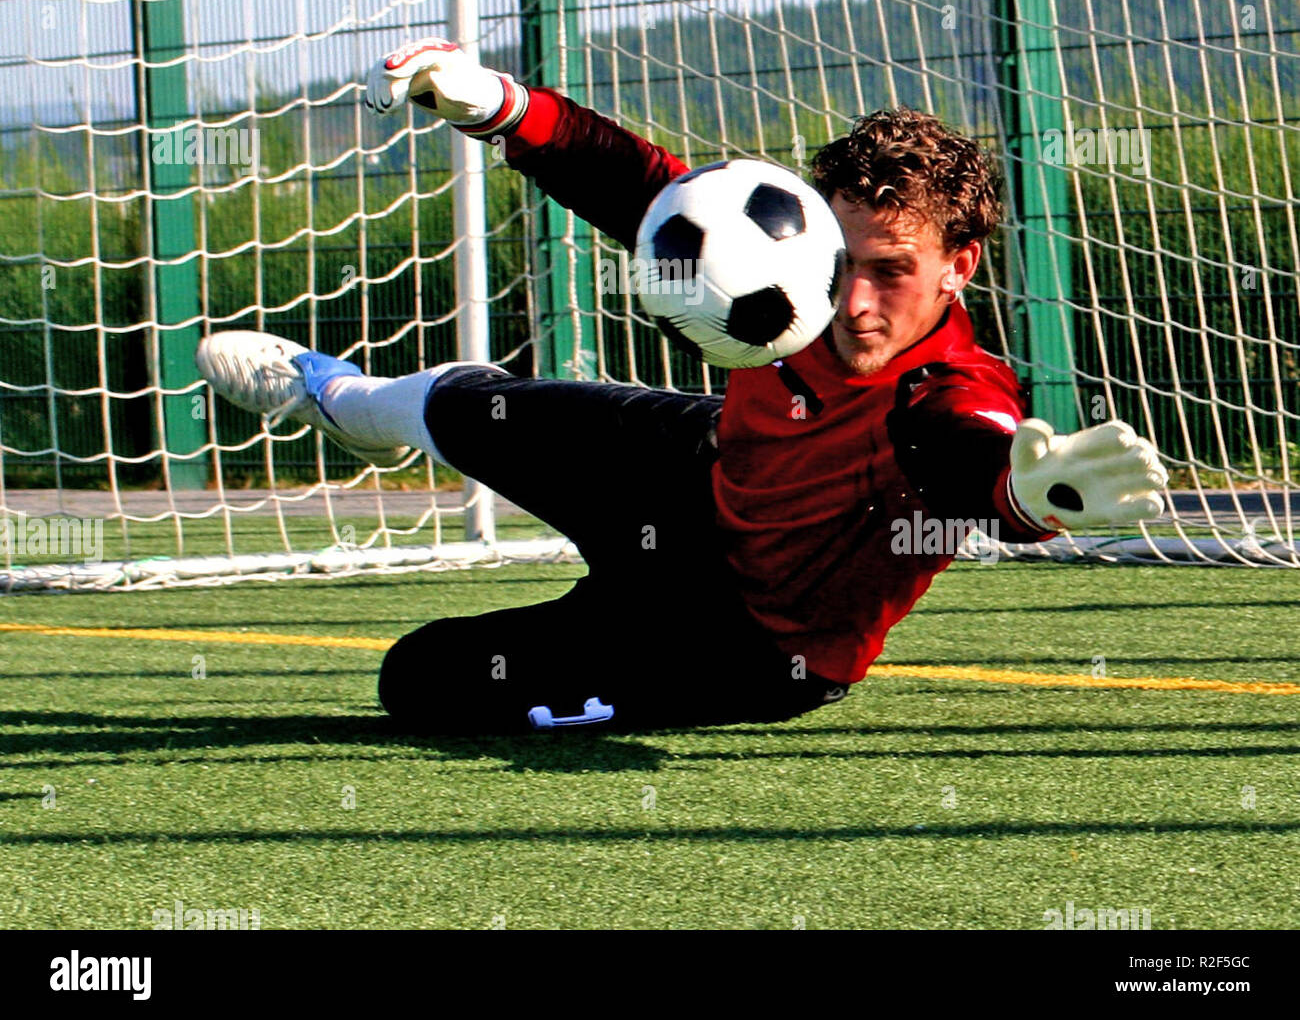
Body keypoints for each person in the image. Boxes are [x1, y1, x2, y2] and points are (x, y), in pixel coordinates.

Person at [196, 39, 1167, 734]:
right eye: (845, 261)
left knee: (419, 682)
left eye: (893, 270)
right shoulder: (786, 255)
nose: (856, 301)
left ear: (959, 263)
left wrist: (1026, 494)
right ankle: (339, 399)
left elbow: (971, 453)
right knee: (473, 405)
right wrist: (492, 99)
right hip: (696, 474)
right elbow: (640, 190)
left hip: (742, 638)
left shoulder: (945, 391)